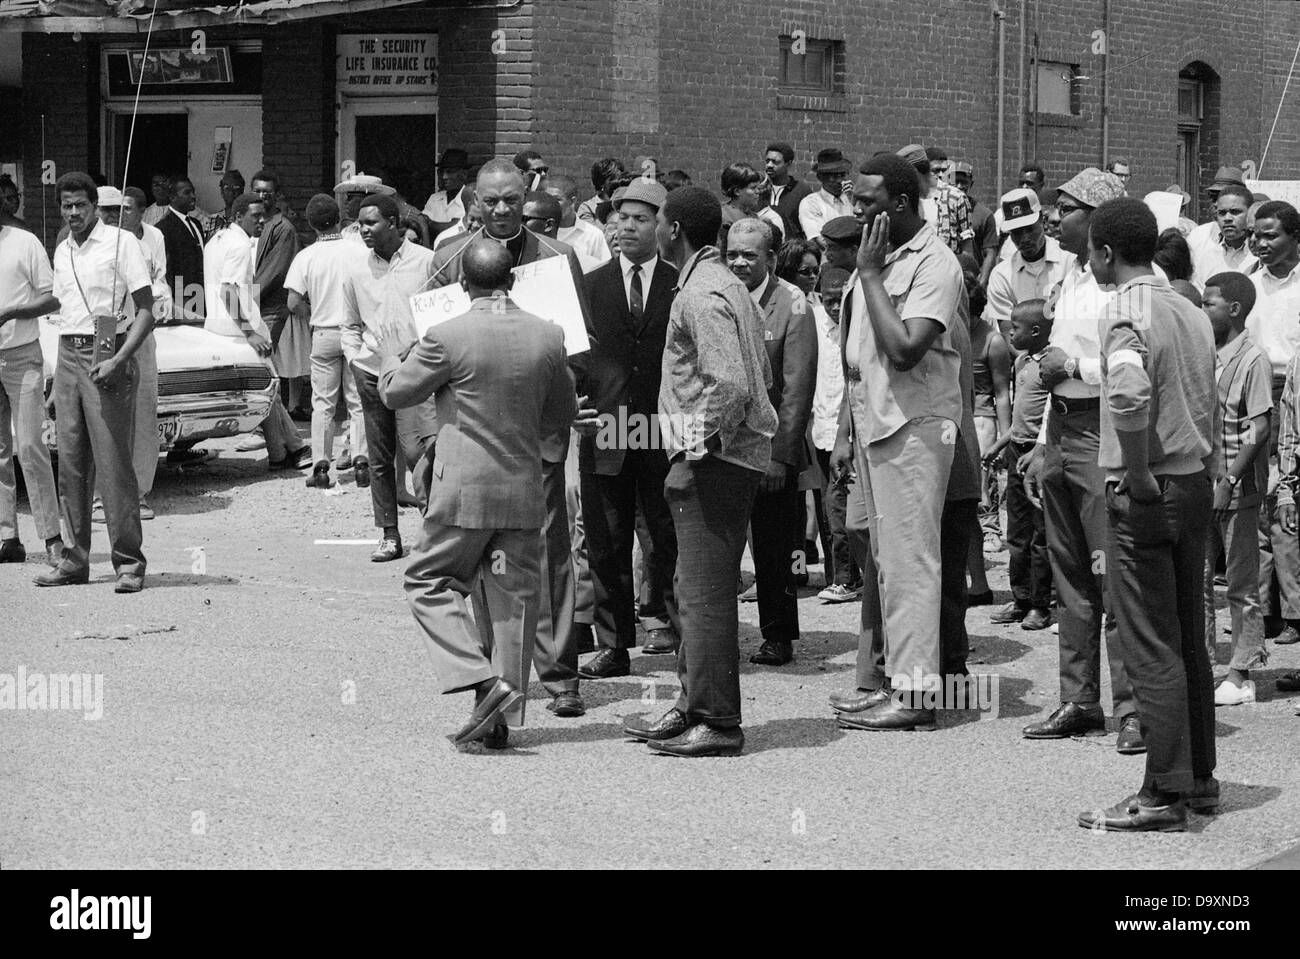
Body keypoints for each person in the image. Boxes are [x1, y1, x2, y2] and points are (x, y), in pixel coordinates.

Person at [378, 239, 576, 750]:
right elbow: (561, 416)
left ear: (462, 284)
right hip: (522, 490)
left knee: (429, 581)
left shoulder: (447, 335)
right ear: (513, 281)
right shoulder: (549, 336)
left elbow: (397, 393)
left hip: (464, 492)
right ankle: (500, 719)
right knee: (511, 601)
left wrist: (388, 360)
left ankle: (483, 681)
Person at [1077, 196, 1219, 832]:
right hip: (1192, 483)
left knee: (1150, 641)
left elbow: (1129, 395)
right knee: (1188, 634)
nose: (1089, 261)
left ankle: (1162, 792)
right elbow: (1204, 396)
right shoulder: (1188, 309)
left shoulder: (1124, 311)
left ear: (1106, 252)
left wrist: (1134, 474)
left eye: (1091, 252)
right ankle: (1200, 779)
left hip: (1150, 486)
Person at [430, 160, 591, 710]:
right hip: (471, 432)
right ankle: (493, 676)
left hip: (537, 427)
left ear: (528, 197)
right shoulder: (449, 255)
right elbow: (430, 343)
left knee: (551, 547)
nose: (502, 211)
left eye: (512, 200)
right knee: (480, 559)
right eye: (491, 201)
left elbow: (579, 343)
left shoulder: (557, 257)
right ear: (474, 200)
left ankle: (560, 671)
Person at [622, 186, 775, 757]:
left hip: (716, 464)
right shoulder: (719, 283)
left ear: (675, 228)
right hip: (722, 460)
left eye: (657, 219)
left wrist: (696, 446)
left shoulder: (703, 292)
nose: (653, 228)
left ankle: (718, 720)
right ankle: (692, 704)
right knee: (691, 589)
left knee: (706, 596)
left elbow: (730, 381)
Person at [829, 152, 963, 731]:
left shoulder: (935, 263)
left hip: (913, 426)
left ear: (902, 204)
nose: (857, 210)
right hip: (875, 422)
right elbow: (857, 352)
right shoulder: (878, 258)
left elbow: (905, 350)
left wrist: (871, 275)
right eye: (853, 199)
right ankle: (893, 679)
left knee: (911, 563)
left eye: (868, 202)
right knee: (887, 560)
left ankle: (914, 696)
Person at [1022, 168, 1140, 752]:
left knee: (1111, 574)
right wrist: (1045, 443)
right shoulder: (1069, 275)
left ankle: (1134, 709)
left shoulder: (1128, 284)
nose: (1052, 218)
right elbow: (1053, 362)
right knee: (1069, 575)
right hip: (1064, 430)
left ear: (1096, 218)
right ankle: (1079, 698)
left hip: (1105, 432)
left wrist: (1070, 370)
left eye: (1064, 208)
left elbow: (1133, 370)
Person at [575, 180, 682, 677]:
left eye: (642, 219)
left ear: (661, 226)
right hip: (608, 425)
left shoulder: (679, 282)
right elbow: (573, 355)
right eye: (623, 219)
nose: (630, 228)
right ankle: (614, 643)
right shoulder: (590, 285)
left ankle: (672, 627)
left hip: (662, 426)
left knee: (666, 533)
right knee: (608, 538)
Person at [38, 171, 154, 593]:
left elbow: (146, 311)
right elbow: (63, 311)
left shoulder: (122, 244)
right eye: (66, 206)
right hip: (68, 356)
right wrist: (57, 380)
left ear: (95, 207)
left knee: (113, 465)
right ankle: (74, 559)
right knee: (70, 464)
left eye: (80, 206)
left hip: (109, 352)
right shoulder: (62, 248)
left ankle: (128, 562)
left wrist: (120, 359)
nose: (73, 213)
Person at [725, 218, 817, 667]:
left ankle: (778, 634)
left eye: (750, 256)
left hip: (769, 449)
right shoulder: (721, 295)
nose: (740, 263)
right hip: (724, 446)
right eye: (733, 255)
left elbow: (797, 389)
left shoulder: (791, 303)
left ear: (770, 258)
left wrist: (782, 456)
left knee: (774, 546)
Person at [340, 193, 437, 562]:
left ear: (394, 223)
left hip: (416, 372)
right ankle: (389, 535)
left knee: (420, 451)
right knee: (379, 457)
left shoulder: (426, 262)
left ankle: (432, 528)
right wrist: (354, 359)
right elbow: (348, 323)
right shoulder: (356, 269)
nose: (363, 230)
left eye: (371, 223)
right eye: (360, 224)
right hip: (371, 371)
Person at [1200, 272, 1271, 706]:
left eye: (1209, 303)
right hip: (1202, 484)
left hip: (1236, 487)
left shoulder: (1253, 359)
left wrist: (1228, 480)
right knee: (1201, 580)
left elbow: (1259, 428)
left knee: (1241, 585)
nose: (1203, 309)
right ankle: (1204, 664)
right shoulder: (1205, 352)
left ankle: (1242, 672)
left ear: (1235, 309)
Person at [205, 193, 312, 472]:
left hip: (219, 326)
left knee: (268, 393)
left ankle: (281, 452)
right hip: (239, 330)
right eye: (255, 216)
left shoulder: (217, 240)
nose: (262, 220)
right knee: (269, 389)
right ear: (237, 216)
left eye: (264, 215)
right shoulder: (240, 246)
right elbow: (228, 291)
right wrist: (251, 332)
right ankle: (292, 449)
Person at [286, 194, 369, 491]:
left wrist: (312, 315)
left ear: (311, 224)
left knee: (322, 403)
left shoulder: (306, 256)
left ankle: (321, 466)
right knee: (358, 400)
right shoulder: (358, 250)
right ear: (339, 219)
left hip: (323, 330)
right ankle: (361, 461)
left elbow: (293, 301)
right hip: (355, 330)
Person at [94, 186, 166, 521]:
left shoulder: (148, 240)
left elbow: (159, 282)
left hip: (140, 328)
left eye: (118, 209)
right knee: (102, 411)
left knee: (142, 411)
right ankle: (99, 494)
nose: (112, 216)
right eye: (105, 210)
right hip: (106, 329)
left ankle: (137, 494)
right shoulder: (85, 247)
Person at [1248, 200, 1300, 646]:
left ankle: (1295, 610)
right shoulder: (1250, 285)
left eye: (1271, 236)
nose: (1261, 243)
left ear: (1293, 238)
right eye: (1257, 235)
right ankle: (1264, 611)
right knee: (1258, 500)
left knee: (1289, 502)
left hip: (1295, 394)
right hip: (1257, 393)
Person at [984, 299, 1054, 630]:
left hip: (1038, 455)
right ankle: (1021, 597)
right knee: (1017, 530)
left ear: (1037, 331)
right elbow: (1017, 417)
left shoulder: (1050, 363)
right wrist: (1001, 444)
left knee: (1041, 532)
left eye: (1017, 328)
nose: (1010, 332)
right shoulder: (1022, 361)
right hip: (1015, 451)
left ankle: (1041, 604)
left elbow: (1049, 416)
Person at [0, 213, 63, 567]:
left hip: (22, 357)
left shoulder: (24, 242)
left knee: (30, 445)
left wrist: (11, 313)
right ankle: (8, 537)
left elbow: (52, 299)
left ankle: (52, 537)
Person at [810, 266, 862, 602]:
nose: (833, 308)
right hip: (817, 431)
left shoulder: (857, 324)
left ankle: (847, 577)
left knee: (840, 505)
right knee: (828, 511)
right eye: (828, 301)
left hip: (847, 433)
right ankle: (836, 573)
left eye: (839, 301)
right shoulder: (811, 322)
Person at [984, 188, 1069, 339]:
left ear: (1042, 221)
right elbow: (1010, 333)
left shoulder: (1068, 261)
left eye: (1030, 229)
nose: (1024, 239)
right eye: (1016, 233)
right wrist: (1028, 361)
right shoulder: (1001, 275)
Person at [899, 144, 974, 258]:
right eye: (936, 170)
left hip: (947, 267)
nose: (940, 175)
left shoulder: (955, 197)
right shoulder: (906, 200)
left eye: (943, 170)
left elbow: (967, 248)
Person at [155, 175, 205, 322]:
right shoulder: (163, 228)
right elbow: (166, 269)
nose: (193, 196)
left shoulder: (196, 223)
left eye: (193, 192)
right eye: (187, 193)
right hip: (182, 299)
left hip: (200, 295)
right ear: (172, 197)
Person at [1189, 184, 1257, 289]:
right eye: (1222, 213)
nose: (1227, 218)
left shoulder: (1260, 257)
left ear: (1250, 213)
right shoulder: (1208, 258)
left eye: (1235, 212)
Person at [543, 174, 613, 267]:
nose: (551, 204)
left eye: (557, 199)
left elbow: (603, 269)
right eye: (547, 199)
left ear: (573, 201)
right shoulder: (541, 231)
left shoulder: (592, 235)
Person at [954, 161, 999, 288]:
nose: (959, 186)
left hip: (971, 280)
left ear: (971, 184)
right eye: (955, 181)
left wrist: (981, 284)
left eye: (964, 182)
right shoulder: (942, 209)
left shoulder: (984, 215)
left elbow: (990, 253)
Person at [798, 149, 855, 243]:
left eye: (842, 175)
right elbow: (818, 239)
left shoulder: (851, 199)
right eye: (834, 176)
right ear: (820, 177)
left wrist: (854, 201)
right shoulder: (811, 203)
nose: (840, 180)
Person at [765, 142, 812, 241]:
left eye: (775, 162)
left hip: (791, 251)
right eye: (767, 161)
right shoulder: (759, 189)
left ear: (788, 163)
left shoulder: (802, 190)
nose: (769, 165)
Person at [422, 148, 472, 236]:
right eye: (442, 172)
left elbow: (457, 229)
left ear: (464, 174)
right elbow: (421, 227)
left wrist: (428, 223)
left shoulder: (470, 199)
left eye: (450, 172)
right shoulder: (434, 198)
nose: (444, 177)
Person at [577, 158, 627, 224]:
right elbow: (590, 232)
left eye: (620, 178)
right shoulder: (587, 207)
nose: (617, 181)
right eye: (612, 179)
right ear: (601, 182)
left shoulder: (626, 203)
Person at [206, 169, 245, 240]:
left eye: (236, 188)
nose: (231, 192)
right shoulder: (211, 219)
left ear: (242, 191)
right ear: (222, 191)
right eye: (227, 188)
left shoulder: (247, 220)